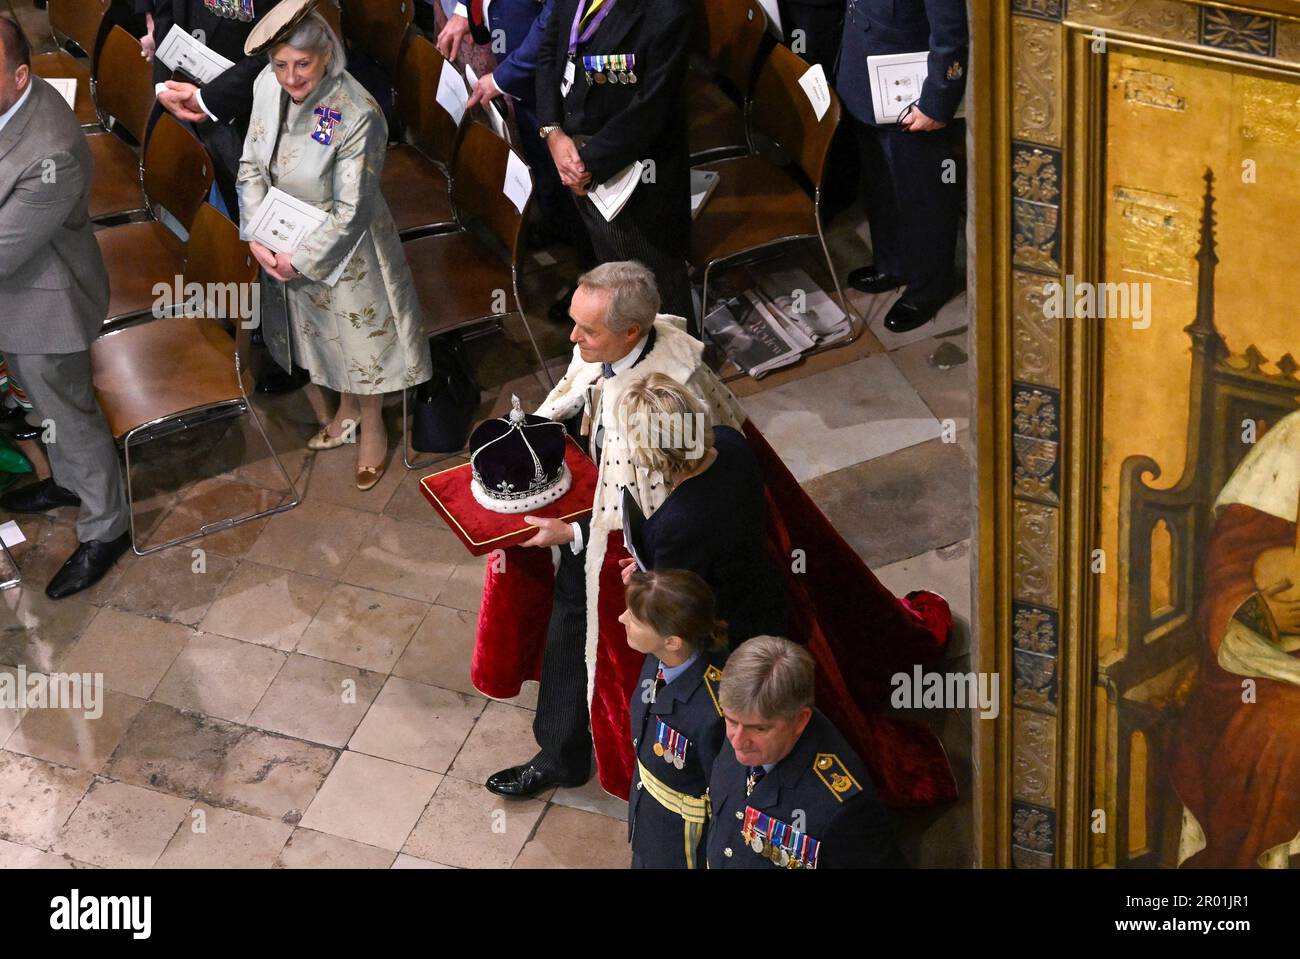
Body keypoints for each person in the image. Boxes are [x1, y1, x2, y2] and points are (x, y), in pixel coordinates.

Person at [482, 260, 746, 798]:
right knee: (568, 636)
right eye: (573, 321)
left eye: (588, 329)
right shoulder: (619, 349)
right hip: (605, 515)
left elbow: (649, 514)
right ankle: (561, 750)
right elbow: (571, 400)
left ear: (632, 330)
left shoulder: (661, 402)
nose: (573, 338)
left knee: (592, 643)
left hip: (639, 553)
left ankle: (616, 766)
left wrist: (572, 536)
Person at [237, 5, 432, 490]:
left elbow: (352, 211)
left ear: (327, 53)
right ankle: (344, 410)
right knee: (321, 336)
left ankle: (372, 427)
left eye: (302, 64)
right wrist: (256, 234)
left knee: (360, 341)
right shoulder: (266, 86)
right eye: (281, 65)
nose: (290, 77)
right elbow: (249, 165)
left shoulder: (356, 112)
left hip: (347, 248)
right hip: (284, 235)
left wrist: (298, 257)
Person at [0, 18, 132, 599]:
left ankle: (107, 525)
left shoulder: (49, 151)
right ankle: (70, 482)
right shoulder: (14, 101)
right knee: (44, 406)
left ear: (19, 74)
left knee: (69, 412)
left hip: (45, 306)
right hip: (20, 287)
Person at [1169, 408, 1300, 868]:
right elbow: (1229, 568)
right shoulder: (1295, 437)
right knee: (1285, 732)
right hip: (1267, 666)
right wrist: (1263, 610)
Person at [534, 0, 696, 329]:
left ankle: (681, 375)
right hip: (574, 157)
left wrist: (586, 165)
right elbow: (550, 52)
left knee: (656, 291)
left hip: (637, 182)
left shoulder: (670, 12)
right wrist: (552, 132)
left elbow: (649, 111)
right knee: (613, 279)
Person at [616, 373, 787, 645]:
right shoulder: (730, 441)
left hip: (730, 629)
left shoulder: (674, 524)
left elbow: (677, 601)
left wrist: (642, 578)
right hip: (765, 587)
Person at [706, 636, 904, 868]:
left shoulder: (842, 808)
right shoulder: (745, 724)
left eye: (759, 728)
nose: (737, 741)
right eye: (731, 720)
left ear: (800, 720)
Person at [836, 0, 967, 333]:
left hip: (912, 86)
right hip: (866, 64)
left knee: (923, 193)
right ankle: (893, 263)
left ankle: (930, 285)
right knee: (881, 182)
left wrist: (938, 100)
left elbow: (951, 28)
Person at [621, 569, 728, 869]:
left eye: (635, 618)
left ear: (672, 642)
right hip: (650, 817)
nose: (622, 619)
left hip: (683, 842)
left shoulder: (713, 710)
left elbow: (722, 796)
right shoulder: (657, 657)